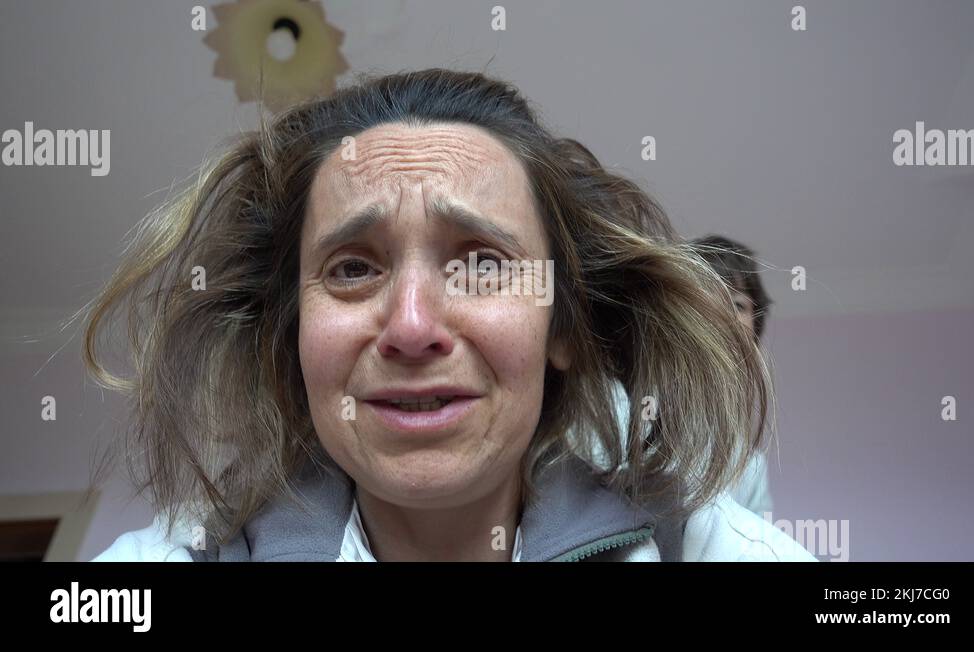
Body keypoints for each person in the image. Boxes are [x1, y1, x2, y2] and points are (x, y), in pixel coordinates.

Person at [85, 68, 812, 562]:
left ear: (562, 327)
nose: (409, 326)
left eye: (482, 265)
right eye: (352, 269)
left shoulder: (708, 547)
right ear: (293, 334)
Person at [691, 235, 776, 517]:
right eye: (704, 298)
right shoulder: (634, 412)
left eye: (738, 305)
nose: (723, 314)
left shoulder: (750, 466)